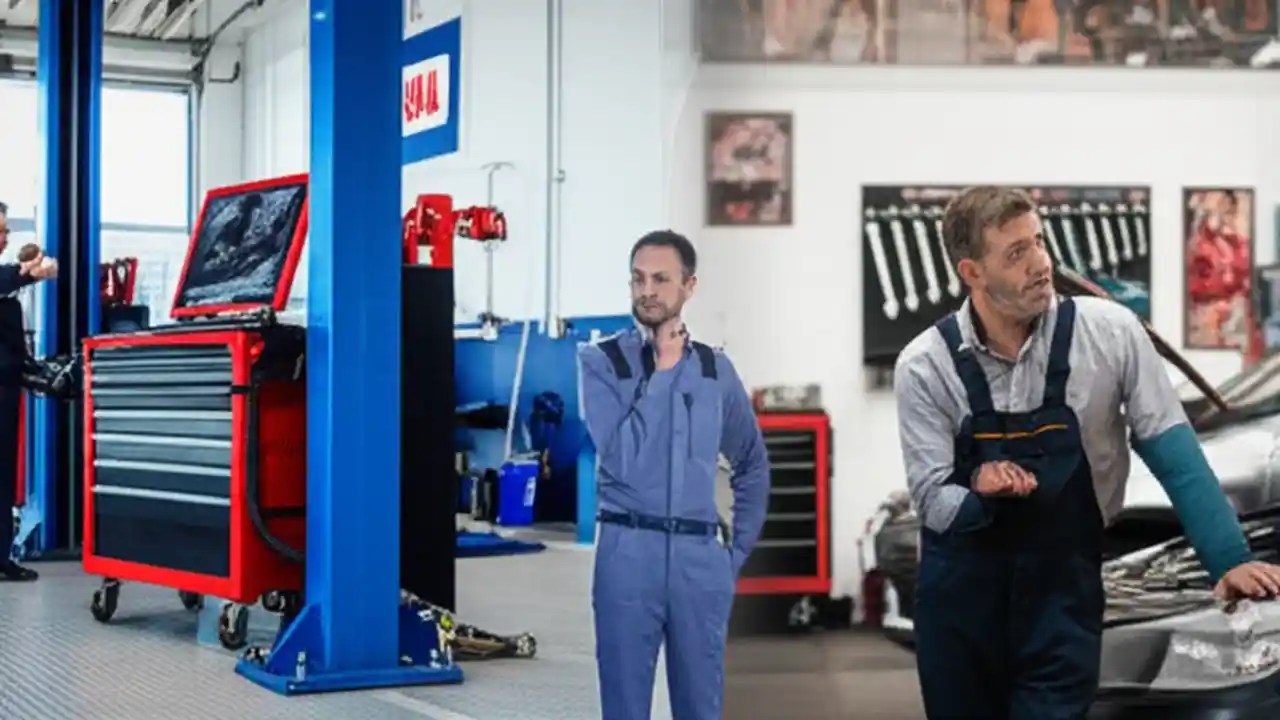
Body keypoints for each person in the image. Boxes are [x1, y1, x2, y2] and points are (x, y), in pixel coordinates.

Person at [893, 186, 1280, 719]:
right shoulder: (924, 366)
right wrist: (978, 489)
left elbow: (1174, 452)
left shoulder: (1110, 334)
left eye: (1039, 242)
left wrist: (1228, 557)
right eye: (1016, 253)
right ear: (972, 272)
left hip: (1061, 599)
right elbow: (931, 497)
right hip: (961, 610)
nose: (1040, 264)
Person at [579, 230, 770, 720]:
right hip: (627, 555)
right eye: (638, 279)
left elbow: (751, 462)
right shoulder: (601, 363)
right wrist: (663, 372)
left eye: (661, 279)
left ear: (689, 285)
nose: (648, 291)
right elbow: (621, 459)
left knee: (701, 708)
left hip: (698, 561)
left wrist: (733, 556)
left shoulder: (715, 370)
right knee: (624, 708)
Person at [0, 200, 57, 582]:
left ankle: (1, 557)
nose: (5, 237)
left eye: (5, 230)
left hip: (7, 384)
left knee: (3, 476)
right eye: (0, 230)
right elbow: (9, 277)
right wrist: (29, 272)